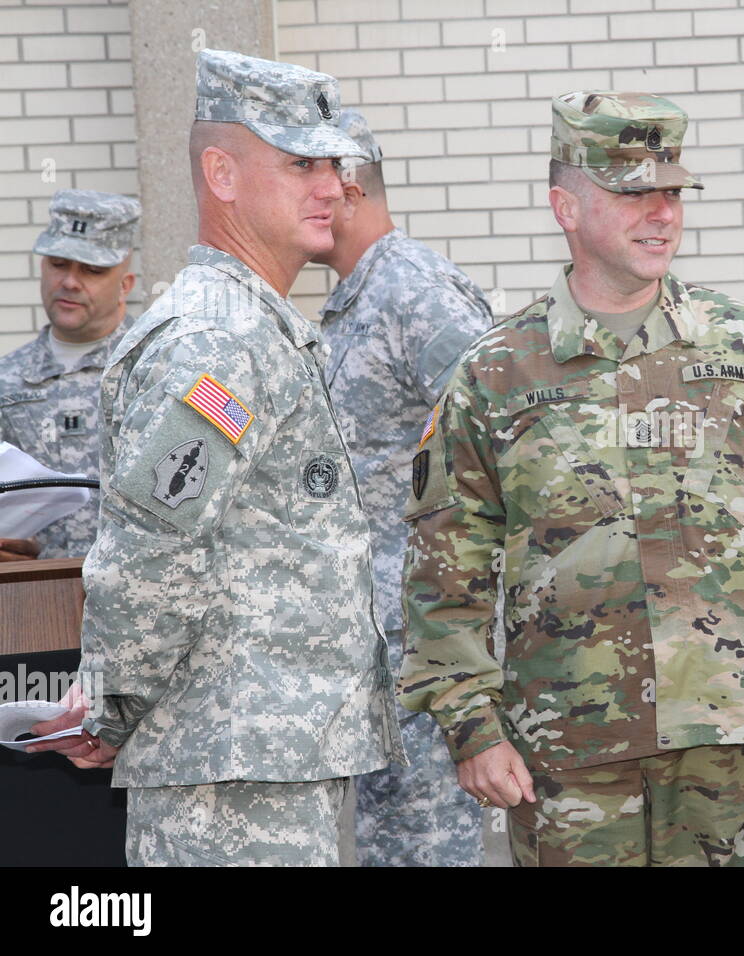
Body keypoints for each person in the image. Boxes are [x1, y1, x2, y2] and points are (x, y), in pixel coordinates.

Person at [399, 90, 744, 867]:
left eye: (673, 192)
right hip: (569, 759)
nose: (661, 213)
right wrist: (471, 725)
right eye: (632, 193)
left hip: (733, 747)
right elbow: (443, 573)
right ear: (567, 206)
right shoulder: (495, 373)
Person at [27, 49, 403, 867]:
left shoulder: (252, 327)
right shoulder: (218, 340)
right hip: (230, 776)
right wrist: (115, 706)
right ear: (222, 173)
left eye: (333, 164)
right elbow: (152, 548)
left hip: (262, 756)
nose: (333, 185)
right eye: (300, 162)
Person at [312, 109, 493, 867]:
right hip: (379, 645)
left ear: (346, 187)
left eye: (305, 176)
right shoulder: (356, 297)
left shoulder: (414, 292)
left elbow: (501, 439)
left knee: (426, 851)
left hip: (429, 646)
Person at [0, 189, 140, 561]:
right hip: (32, 604)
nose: (71, 282)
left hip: (137, 606)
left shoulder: (155, 369)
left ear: (126, 284)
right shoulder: (7, 381)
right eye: (59, 264)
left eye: (92, 270)